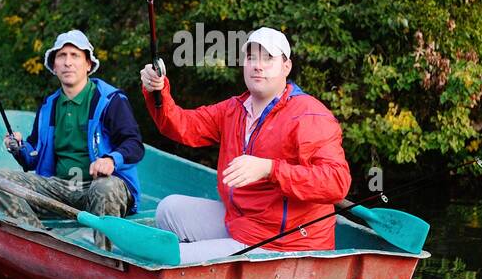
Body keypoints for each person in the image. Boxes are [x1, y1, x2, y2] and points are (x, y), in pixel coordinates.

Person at [138, 27, 351, 261]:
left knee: (169, 257)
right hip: (242, 221)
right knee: (168, 209)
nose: (258, 65)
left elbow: (336, 182)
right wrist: (157, 91)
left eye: (268, 58)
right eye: (251, 57)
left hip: (285, 242)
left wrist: (270, 169)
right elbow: (182, 126)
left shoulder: (310, 116)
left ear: (286, 66)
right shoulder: (235, 108)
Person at [0, 29, 144, 232]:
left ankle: (102, 255)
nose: (68, 62)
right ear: (54, 65)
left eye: (75, 55)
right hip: (59, 188)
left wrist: (111, 160)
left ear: (88, 64)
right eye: (62, 56)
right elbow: (33, 157)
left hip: (99, 185)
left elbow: (134, 144)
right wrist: (18, 147)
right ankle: (42, 240)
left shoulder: (111, 100)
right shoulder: (48, 106)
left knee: (105, 187)